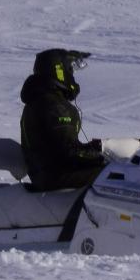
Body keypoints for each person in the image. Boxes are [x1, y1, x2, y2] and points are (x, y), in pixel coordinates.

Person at [18, 48, 106, 191]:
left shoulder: (43, 100)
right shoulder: (52, 104)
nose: (72, 75)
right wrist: (99, 153)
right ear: (59, 71)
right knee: (117, 175)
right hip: (55, 176)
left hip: (48, 174)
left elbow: (63, 148)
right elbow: (68, 151)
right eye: (70, 69)